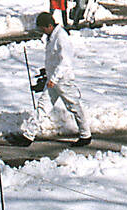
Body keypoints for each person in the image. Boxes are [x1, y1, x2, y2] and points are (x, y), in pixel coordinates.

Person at [22, 12, 91, 146]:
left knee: (74, 107)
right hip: (53, 81)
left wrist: (53, 78)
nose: (41, 31)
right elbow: (54, 59)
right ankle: (28, 136)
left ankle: (85, 135)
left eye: (42, 28)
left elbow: (65, 62)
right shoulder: (51, 36)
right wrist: (46, 73)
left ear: (49, 25)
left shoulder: (61, 37)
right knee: (42, 106)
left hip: (63, 81)